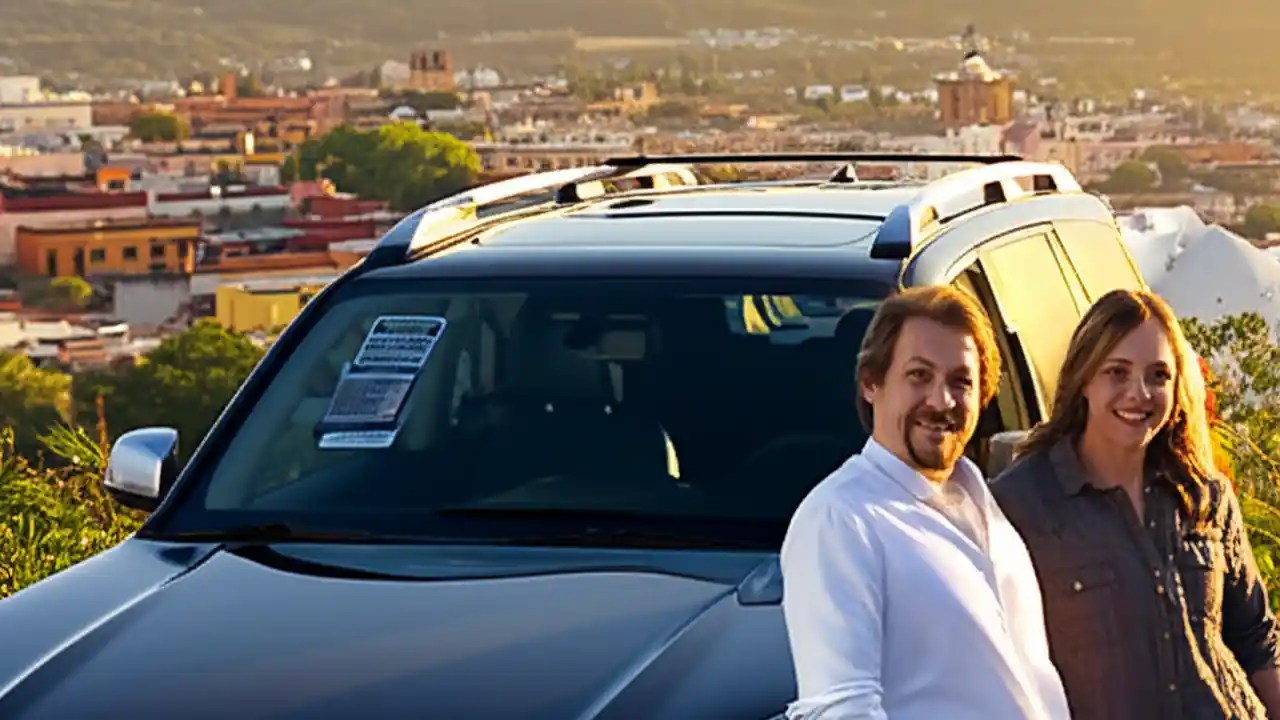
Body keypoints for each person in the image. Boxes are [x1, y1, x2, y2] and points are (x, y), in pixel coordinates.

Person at [780, 285, 1070, 720]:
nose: (941, 401)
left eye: (961, 381)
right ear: (871, 384)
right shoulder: (840, 519)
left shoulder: (981, 499)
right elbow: (842, 710)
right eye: (919, 375)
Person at [992, 288, 1280, 720]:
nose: (1139, 394)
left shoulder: (1204, 495)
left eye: (1158, 375)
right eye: (1117, 372)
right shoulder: (1021, 505)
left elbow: (1257, 641)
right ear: (1084, 378)